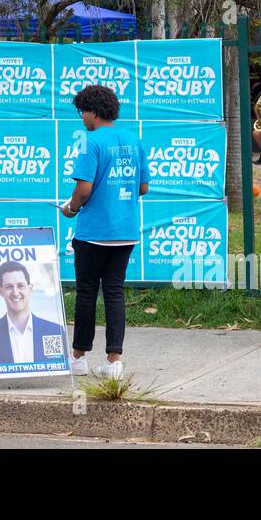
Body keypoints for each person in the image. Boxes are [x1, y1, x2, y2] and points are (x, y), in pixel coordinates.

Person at [59, 83, 148, 379]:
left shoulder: (91, 141)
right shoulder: (134, 141)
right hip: (126, 231)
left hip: (93, 231)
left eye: (83, 111)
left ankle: (78, 358)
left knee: (86, 292)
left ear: (94, 112)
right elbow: (143, 187)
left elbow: (82, 191)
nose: (82, 118)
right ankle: (114, 363)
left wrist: (70, 208)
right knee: (114, 292)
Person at [0, 260, 66, 367]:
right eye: (9, 287)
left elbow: (59, 368)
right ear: (0, 290)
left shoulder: (54, 331)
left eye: (20, 286)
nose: (15, 293)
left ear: (30, 288)